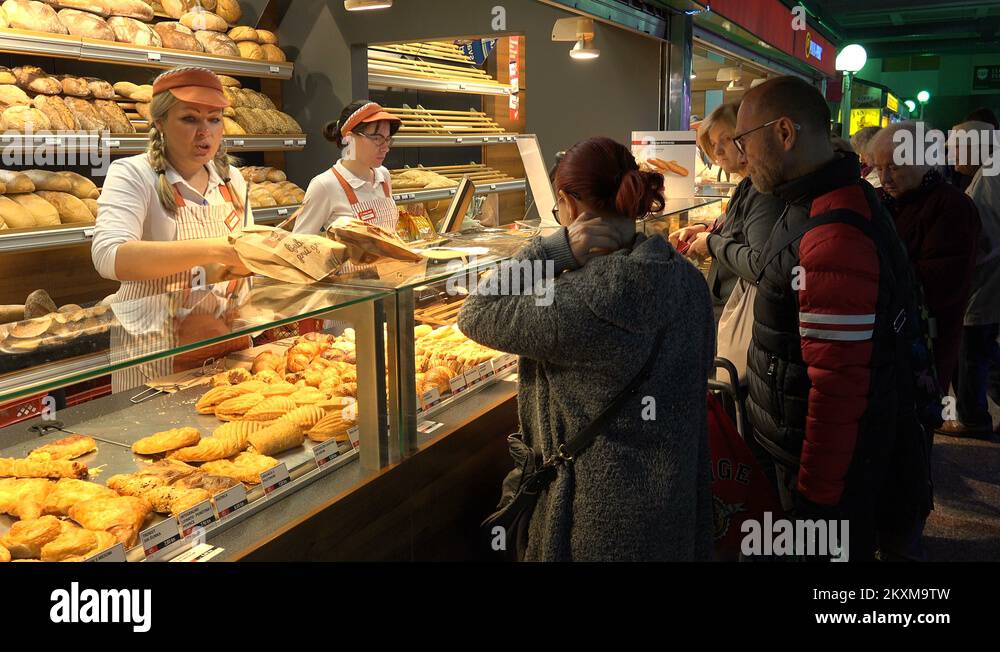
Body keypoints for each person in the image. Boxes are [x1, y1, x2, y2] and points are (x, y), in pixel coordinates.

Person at [458, 137, 715, 561]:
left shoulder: (575, 302)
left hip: (592, 519)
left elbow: (478, 309)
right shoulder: (687, 280)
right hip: (674, 502)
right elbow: (699, 368)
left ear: (568, 205)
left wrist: (553, 249)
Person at [736, 76, 925, 561]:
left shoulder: (833, 231)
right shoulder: (829, 198)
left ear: (783, 133)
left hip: (817, 464)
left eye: (744, 141)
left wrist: (817, 499)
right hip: (808, 445)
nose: (741, 156)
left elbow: (839, 386)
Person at [93, 66, 254, 392]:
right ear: (160, 122)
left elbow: (247, 257)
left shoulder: (231, 179)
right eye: (190, 118)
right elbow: (109, 256)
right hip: (155, 350)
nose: (204, 132)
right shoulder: (133, 174)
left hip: (223, 340)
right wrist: (216, 248)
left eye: (214, 119)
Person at [869, 122, 981, 388]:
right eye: (879, 167)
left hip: (924, 346)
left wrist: (870, 275)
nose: (884, 178)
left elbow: (942, 280)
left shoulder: (952, 206)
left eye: (894, 167)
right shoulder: (879, 200)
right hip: (882, 341)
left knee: (913, 420)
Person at [670, 101, 784, 313]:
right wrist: (703, 230)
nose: (718, 151)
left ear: (748, 138)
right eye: (713, 144)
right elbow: (736, 225)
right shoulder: (747, 185)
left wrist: (712, 243)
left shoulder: (763, 192)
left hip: (743, 311)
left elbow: (760, 265)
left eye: (727, 139)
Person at [939, 120, 1000, 438]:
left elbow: (984, 236)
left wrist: (957, 267)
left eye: (956, 146)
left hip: (985, 283)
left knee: (972, 350)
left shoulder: (991, 174)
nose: (951, 154)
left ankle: (972, 418)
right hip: (988, 283)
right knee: (983, 349)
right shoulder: (990, 170)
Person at [293, 100, 402, 238]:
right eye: (377, 138)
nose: (385, 147)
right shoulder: (325, 185)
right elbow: (299, 244)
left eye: (387, 139)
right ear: (349, 139)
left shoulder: (383, 176)